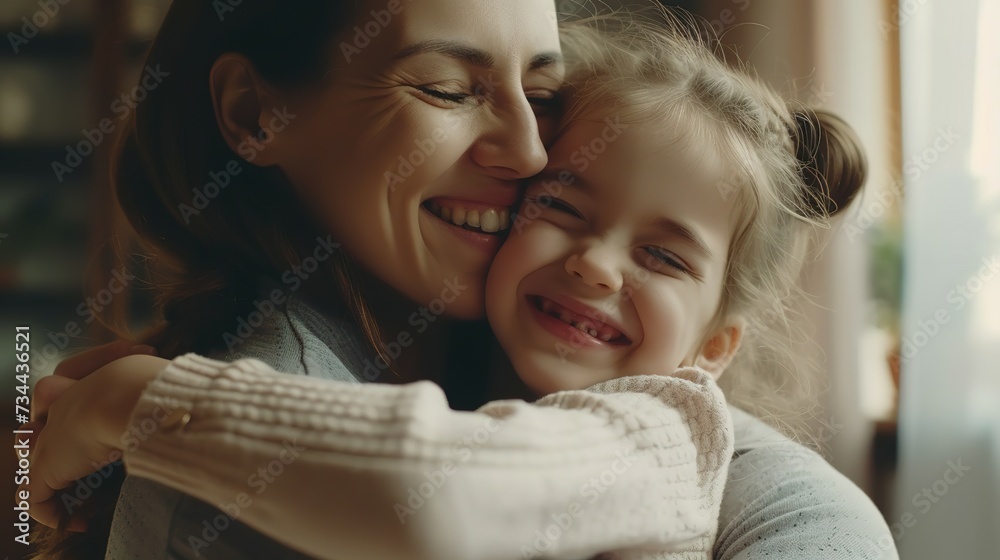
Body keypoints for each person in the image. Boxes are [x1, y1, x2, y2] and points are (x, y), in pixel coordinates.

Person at [24, 2, 899, 560]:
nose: (525, 150)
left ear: (716, 345)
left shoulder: (665, 430)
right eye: (448, 88)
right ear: (258, 113)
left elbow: (431, 492)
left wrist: (142, 404)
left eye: (543, 100)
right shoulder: (256, 430)